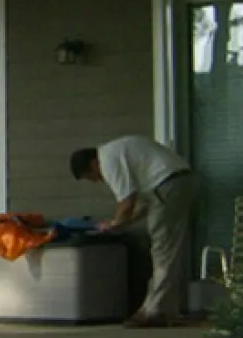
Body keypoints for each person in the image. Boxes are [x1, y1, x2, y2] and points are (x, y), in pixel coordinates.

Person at [69, 137, 200, 328]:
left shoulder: (108, 160)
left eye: (92, 176)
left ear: (93, 163)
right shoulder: (120, 150)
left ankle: (155, 311)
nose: (97, 180)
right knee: (170, 250)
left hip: (169, 186)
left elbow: (127, 201)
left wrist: (114, 224)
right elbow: (145, 204)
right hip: (176, 182)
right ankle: (168, 309)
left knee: (163, 250)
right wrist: (123, 222)